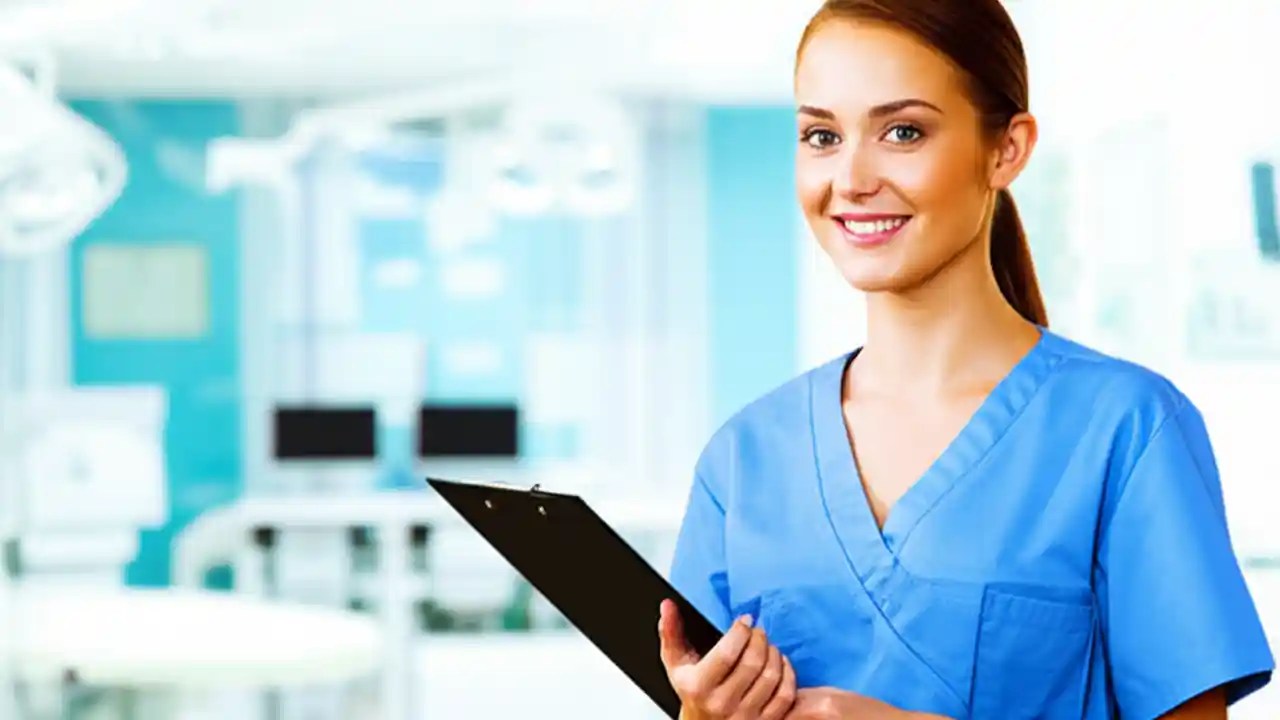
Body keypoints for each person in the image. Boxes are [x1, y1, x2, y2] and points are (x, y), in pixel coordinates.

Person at [655, 1, 1276, 718]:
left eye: (903, 131)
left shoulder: (1124, 430)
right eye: (822, 135)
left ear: (1006, 149)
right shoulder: (743, 460)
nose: (851, 178)